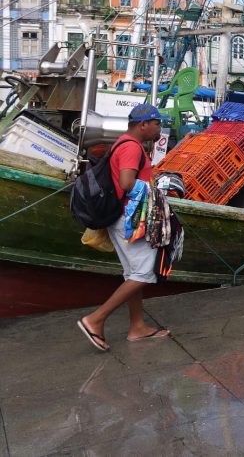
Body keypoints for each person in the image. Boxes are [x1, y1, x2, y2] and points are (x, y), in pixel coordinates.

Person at [77, 103, 170, 352]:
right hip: (129, 219)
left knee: (133, 273)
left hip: (121, 216)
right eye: (157, 123)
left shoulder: (122, 142)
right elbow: (127, 183)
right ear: (143, 124)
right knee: (145, 272)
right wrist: (156, 190)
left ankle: (137, 327)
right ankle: (95, 319)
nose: (159, 128)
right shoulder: (131, 147)